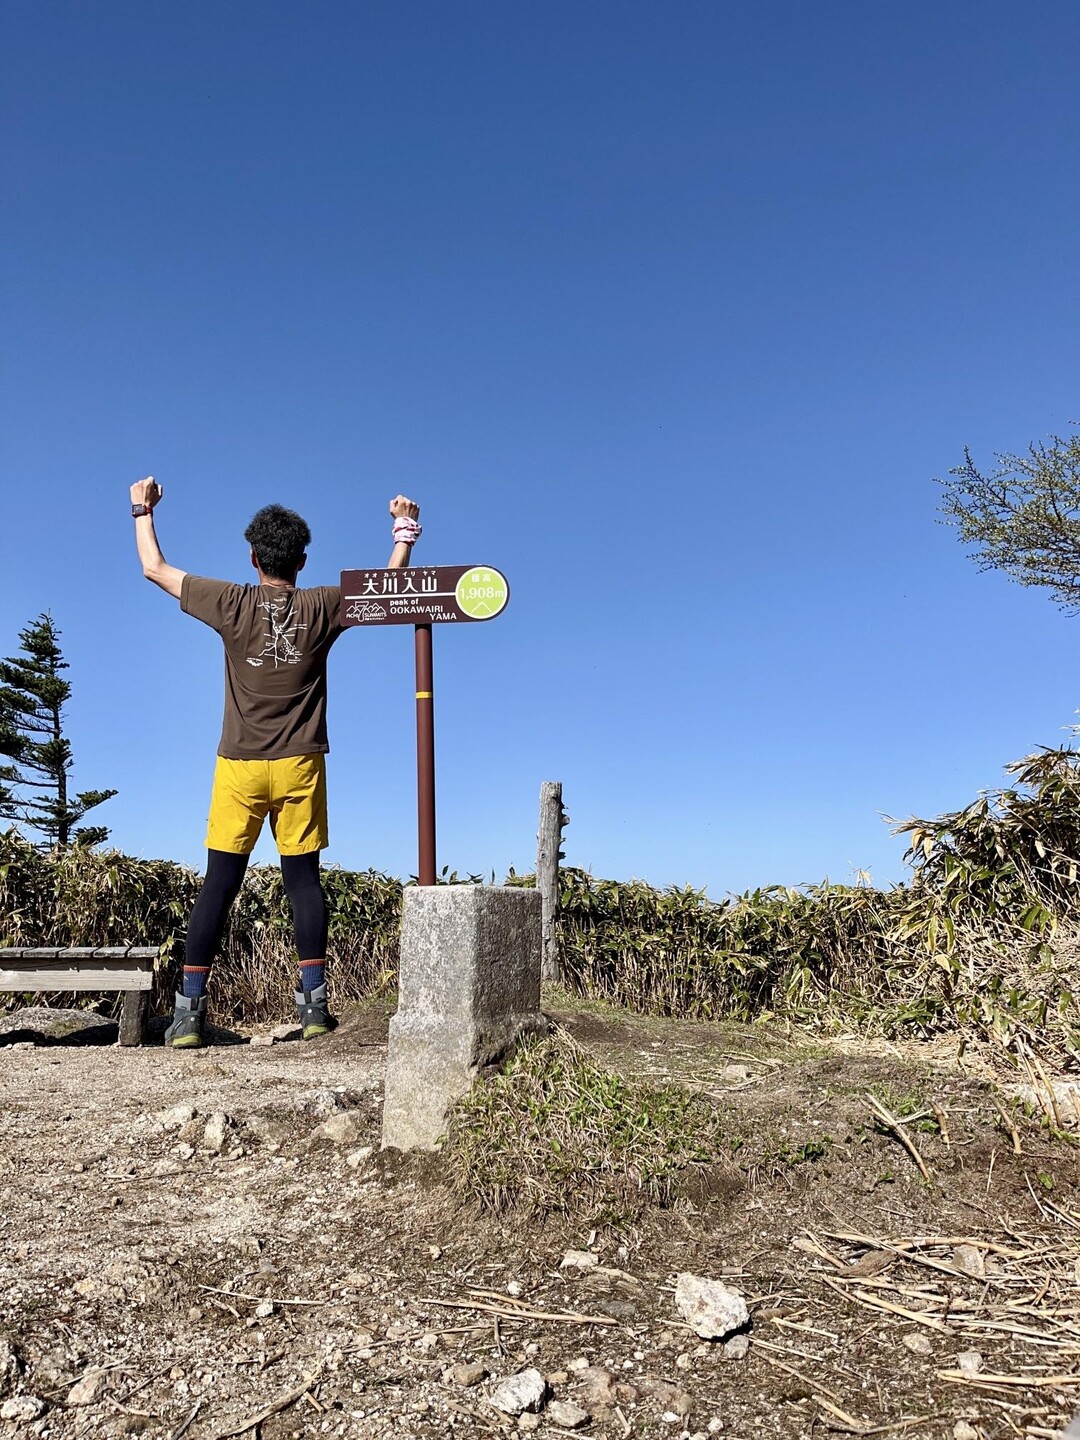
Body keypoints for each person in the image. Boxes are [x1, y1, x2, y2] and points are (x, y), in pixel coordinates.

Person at [130, 477, 421, 1048]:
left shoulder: (230, 601)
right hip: (300, 765)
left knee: (219, 883)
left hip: (238, 765)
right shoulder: (321, 606)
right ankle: (314, 1009)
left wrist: (142, 508)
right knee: (303, 882)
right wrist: (404, 530)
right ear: (302, 561)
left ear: (254, 557)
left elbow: (154, 568)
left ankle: (188, 1015)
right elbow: (388, 591)